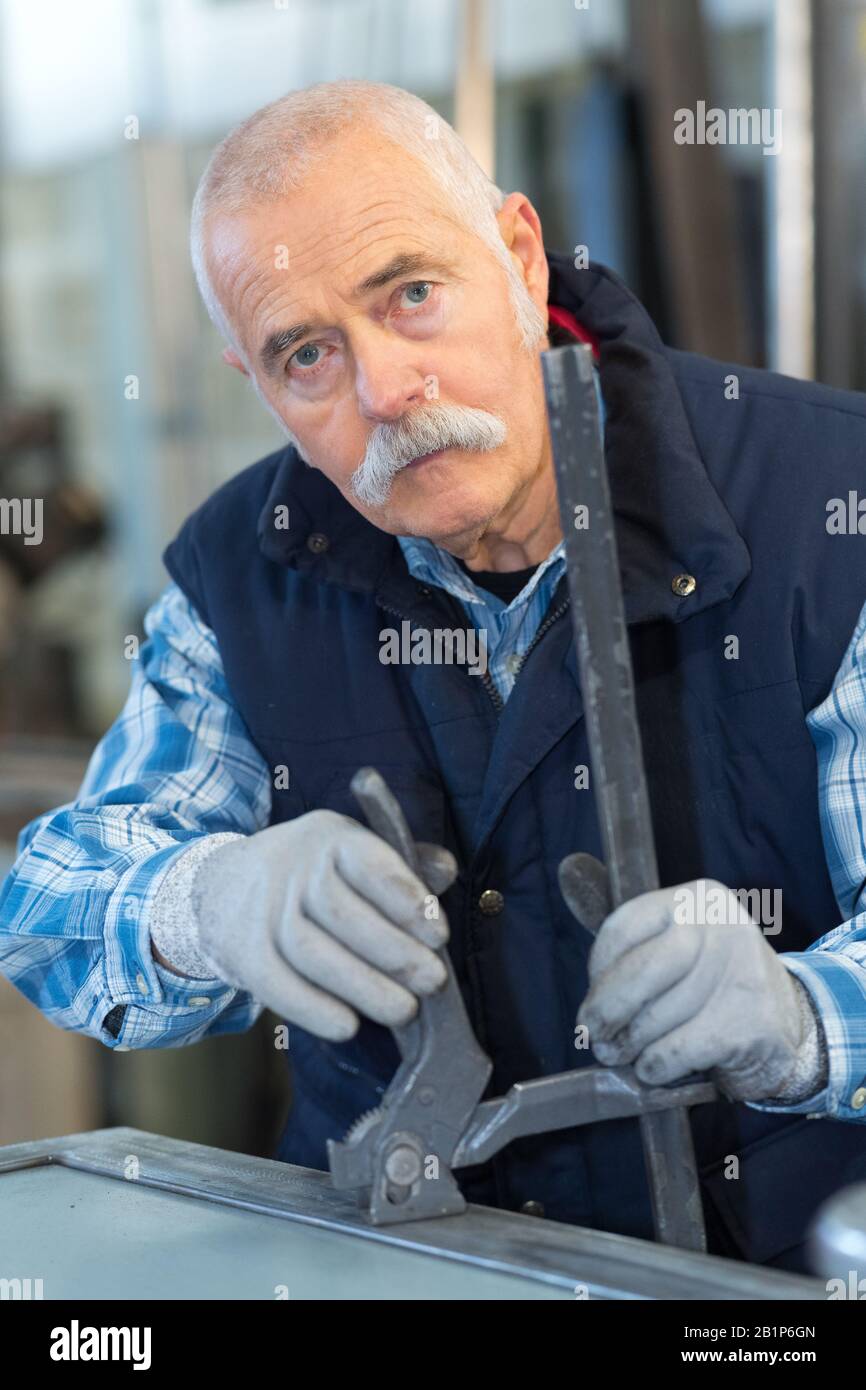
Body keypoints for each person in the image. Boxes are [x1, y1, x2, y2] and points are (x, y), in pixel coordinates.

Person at [2, 79, 866, 1274]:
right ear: (257, 388)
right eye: (305, 353)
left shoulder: (831, 508)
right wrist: (210, 901)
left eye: (409, 294)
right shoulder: (239, 575)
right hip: (397, 1266)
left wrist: (805, 1020)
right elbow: (44, 914)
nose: (385, 390)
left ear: (517, 253)